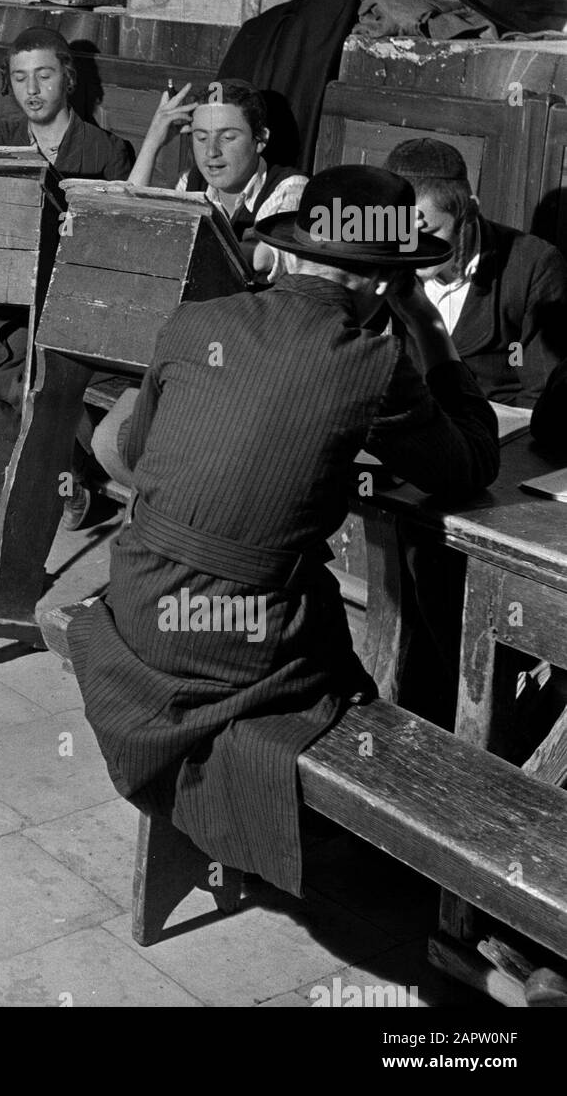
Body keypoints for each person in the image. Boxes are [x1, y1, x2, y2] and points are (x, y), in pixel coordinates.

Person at [46, 165, 498, 898]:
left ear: (294, 251)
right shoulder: (374, 360)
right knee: (345, 678)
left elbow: (134, 454)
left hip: (132, 597)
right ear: (386, 281)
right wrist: (433, 336)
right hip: (236, 639)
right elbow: (469, 465)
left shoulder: (196, 320)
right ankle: (387, 860)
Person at [0, 27, 134, 511]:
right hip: (10, 313)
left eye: (44, 76)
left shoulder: (109, 151)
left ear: (67, 78)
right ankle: (50, 497)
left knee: (36, 390)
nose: (32, 90)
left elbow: (119, 252)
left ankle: (60, 488)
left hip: (78, 316)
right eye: (21, 78)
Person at [93, 78, 307, 487]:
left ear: (261, 139)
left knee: (182, 457)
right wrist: (155, 140)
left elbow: (257, 256)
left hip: (254, 366)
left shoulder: (290, 189)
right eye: (202, 137)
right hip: (190, 352)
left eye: (228, 137)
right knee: (110, 442)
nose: (212, 153)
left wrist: (176, 241)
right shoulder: (190, 185)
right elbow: (124, 225)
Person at [382, 137, 567, 406]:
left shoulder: (534, 266)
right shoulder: (380, 253)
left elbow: (542, 398)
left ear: (470, 212)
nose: (410, 248)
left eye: (428, 233)